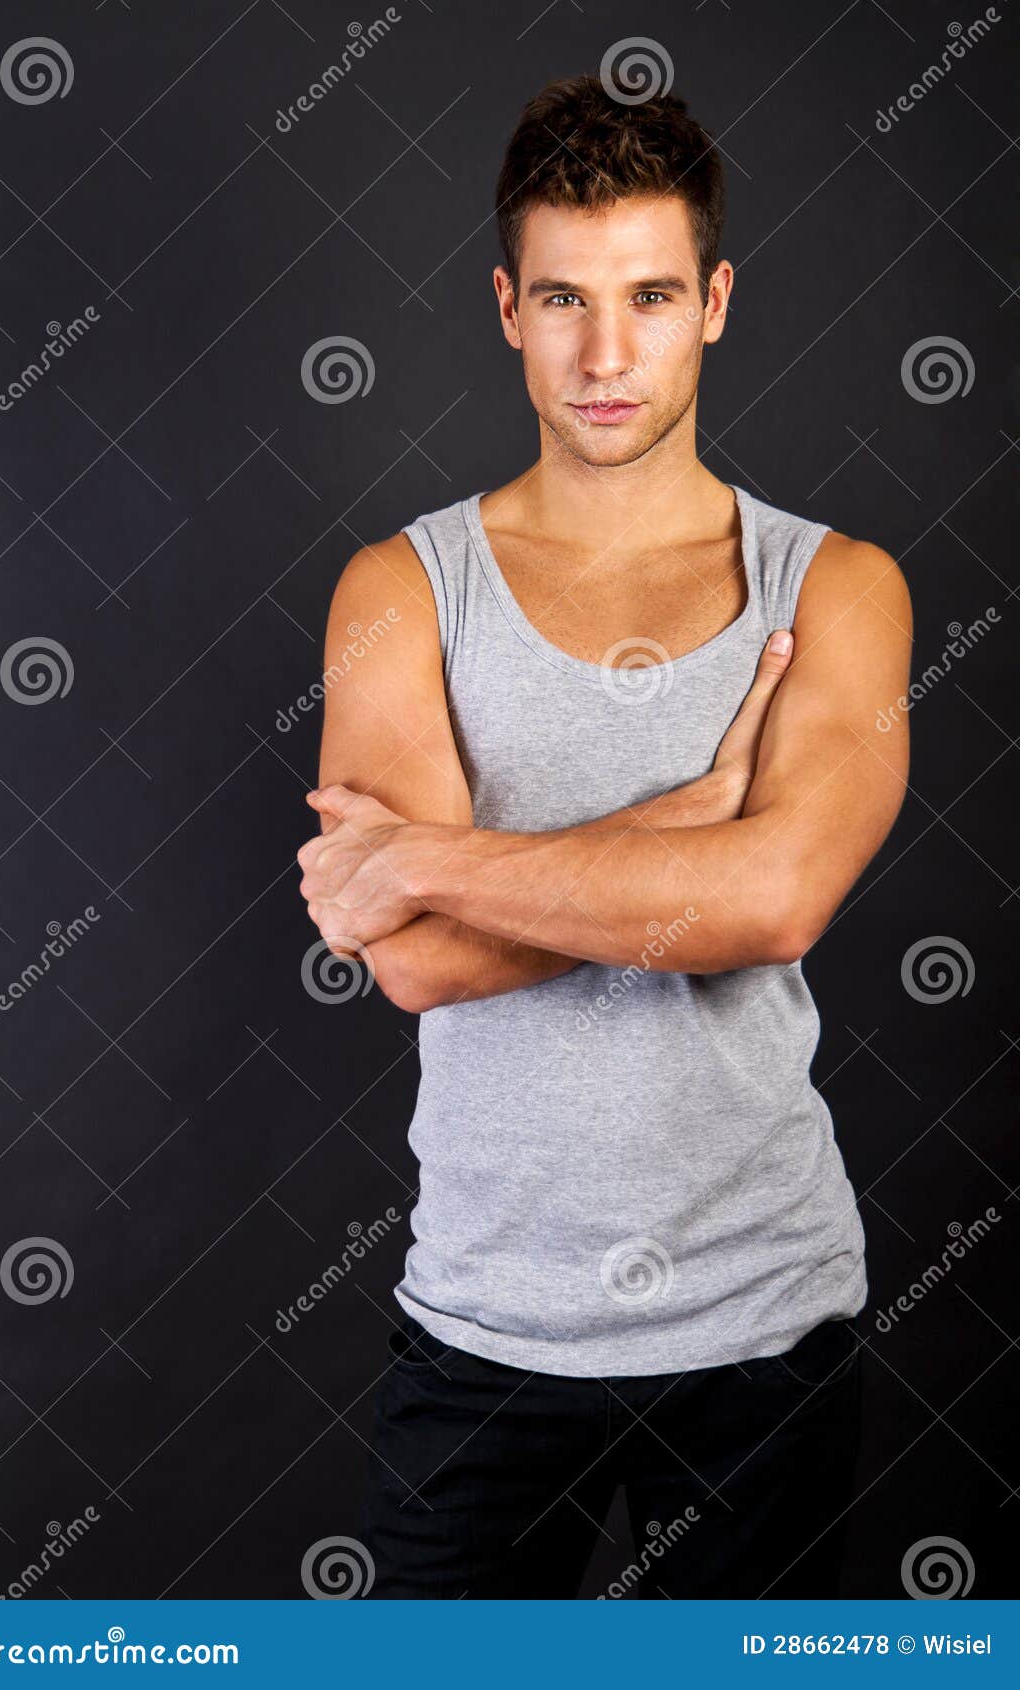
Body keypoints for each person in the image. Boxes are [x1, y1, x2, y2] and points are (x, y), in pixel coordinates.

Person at [297, 74, 912, 1598]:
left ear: (712, 300)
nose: (604, 351)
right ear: (507, 306)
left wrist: (423, 857)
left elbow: (771, 902)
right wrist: (677, 833)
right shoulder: (399, 589)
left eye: (646, 295)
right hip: (483, 1326)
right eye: (562, 298)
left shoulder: (835, 587)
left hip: (760, 1327)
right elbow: (416, 972)